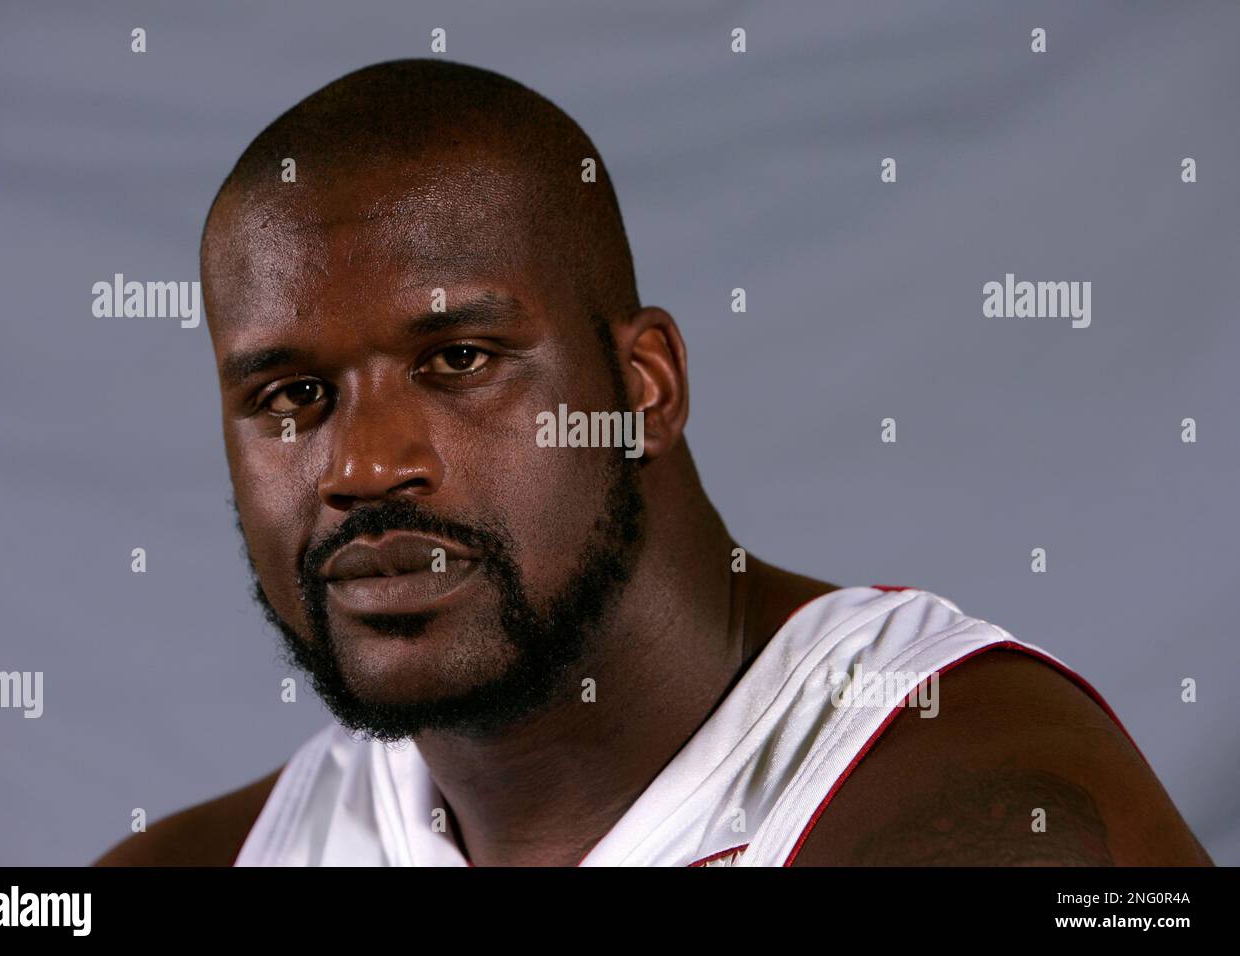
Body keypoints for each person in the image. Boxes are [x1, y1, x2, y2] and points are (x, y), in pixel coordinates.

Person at [95, 59, 1211, 867]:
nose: (366, 465)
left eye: (459, 359)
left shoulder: (976, 805)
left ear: (644, 388)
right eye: (292, 397)